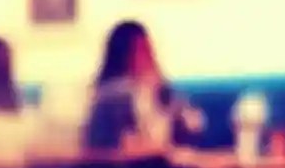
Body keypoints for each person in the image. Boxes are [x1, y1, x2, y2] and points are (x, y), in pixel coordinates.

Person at [84, 20, 199, 151]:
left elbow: (193, 125)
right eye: (142, 51)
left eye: (149, 50)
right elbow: (127, 145)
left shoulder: (160, 91)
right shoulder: (113, 97)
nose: (150, 57)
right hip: (126, 167)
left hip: (162, 160)